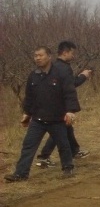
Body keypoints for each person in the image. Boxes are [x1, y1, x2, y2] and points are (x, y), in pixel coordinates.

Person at [4, 46, 80, 182]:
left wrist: (70, 111)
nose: (37, 58)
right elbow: (30, 97)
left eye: (40, 55)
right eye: (35, 56)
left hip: (57, 118)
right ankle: (20, 174)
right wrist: (26, 113)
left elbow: (69, 93)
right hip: (38, 119)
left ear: (49, 56)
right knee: (28, 146)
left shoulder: (61, 73)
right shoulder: (34, 75)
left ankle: (68, 168)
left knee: (63, 145)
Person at [35, 41, 92, 167]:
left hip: (54, 105)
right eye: (72, 53)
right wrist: (83, 76)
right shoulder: (63, 68)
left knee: (66, 129)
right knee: (59, 130)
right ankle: (45, 157)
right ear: (65, 52)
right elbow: (72, 85)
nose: (73, 56)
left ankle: (75, 151)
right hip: (60, 106)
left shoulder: (55, 66)